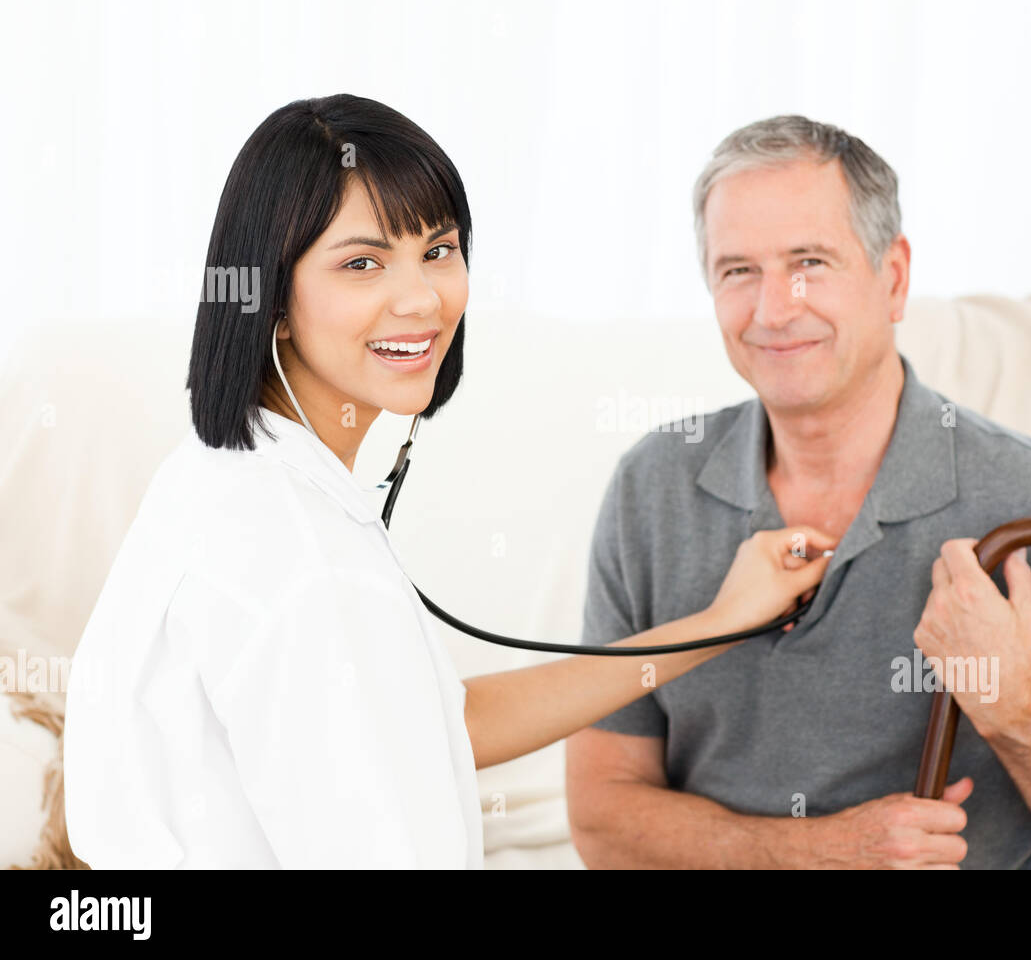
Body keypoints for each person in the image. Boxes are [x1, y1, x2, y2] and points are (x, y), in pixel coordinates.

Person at [61, 94, 834, 869]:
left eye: (438, 249)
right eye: (361, 263)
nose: (422, 299)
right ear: (273, 299)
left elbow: (425, 725)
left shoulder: (218, 476)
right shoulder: (311, 568)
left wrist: (719, 621)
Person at [565, 114, 1031, 870]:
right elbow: (602, 819)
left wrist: (1014, 712)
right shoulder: (653, 487)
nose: (773, 309)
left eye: (809, 262)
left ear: (892, 279)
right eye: (737, 271)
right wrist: (821, 851)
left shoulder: (1028, 495)